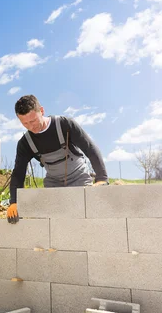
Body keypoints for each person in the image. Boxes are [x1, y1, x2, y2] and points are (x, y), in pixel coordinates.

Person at [7, 95, 108, 223]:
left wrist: (102, 179)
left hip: (78, 177)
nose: (31, 127)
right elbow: (18, 174)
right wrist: (14, 202)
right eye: (25, 123)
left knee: (85, 216)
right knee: (54, 223)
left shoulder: (65, 125)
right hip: (53, 182)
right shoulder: (25, 143)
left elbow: (90, 148)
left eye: (33, 121)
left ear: (41, 111)